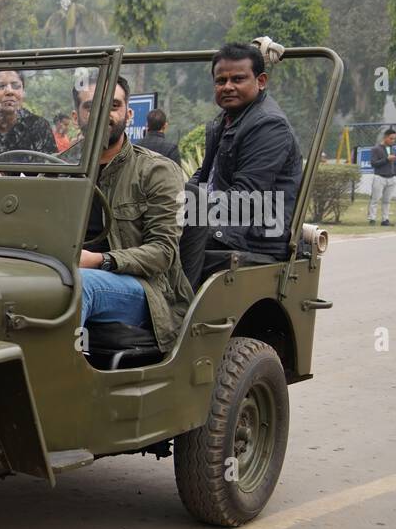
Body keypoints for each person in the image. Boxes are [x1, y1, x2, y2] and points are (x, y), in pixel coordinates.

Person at [77, 74, 192, 354]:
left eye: (113, 105)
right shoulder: (61, 167)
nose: (103, 114)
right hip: (66, 269)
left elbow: (164, 252)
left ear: (128, 113)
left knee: (76, 286)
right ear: (76, 115)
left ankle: (63, 378)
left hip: (146, 288)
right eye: (91, 106)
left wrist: (99, 260)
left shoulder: (156, 171)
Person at [187, 41, 302, 261]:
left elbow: (245, 199)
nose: (228, 86)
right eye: (221, 81)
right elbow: (207, 176)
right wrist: (170, 200)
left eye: (238, 79)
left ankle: (175, 296)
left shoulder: (268, 125)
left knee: (165, 250)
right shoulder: (227, 120)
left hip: (256, 239)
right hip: (229, 228)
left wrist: (188, 211)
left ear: (261, 81)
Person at [0, 70, 56, 156]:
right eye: (1, 86)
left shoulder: (38, 125)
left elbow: (52, 165)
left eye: (16, 86)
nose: (10, 91)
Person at [368, 128, 396, 226]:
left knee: (387, 200)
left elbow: (394, 163)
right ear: (385, 137)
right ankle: (372, 219)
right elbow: (374, 163)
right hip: (379, 177)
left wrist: (395, 174)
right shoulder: (376, 149)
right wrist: (386, 159)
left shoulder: (392, 148)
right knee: (375, 199)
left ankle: (385, 219)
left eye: (394, 139)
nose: (393, 141)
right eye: (391, 138)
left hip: (391, 178)